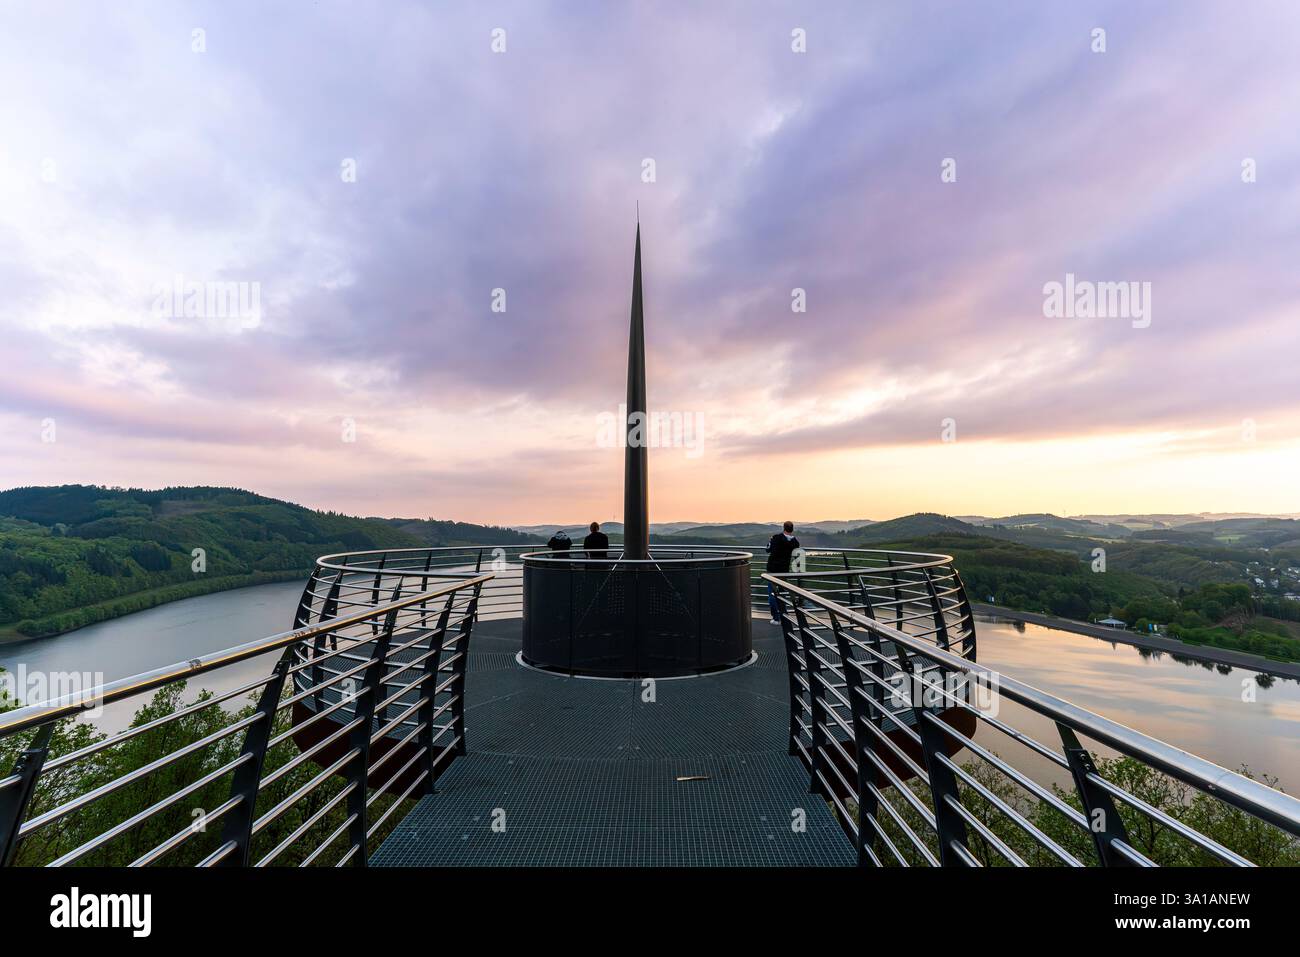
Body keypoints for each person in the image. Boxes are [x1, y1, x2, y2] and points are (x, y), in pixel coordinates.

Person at [764, 521, 800, 625]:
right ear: (792, 529)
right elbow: (797, 557)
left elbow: (768, 549)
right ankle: (783, 616)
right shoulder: (795, 542)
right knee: (782, 594)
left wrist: (770, 540)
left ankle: (776, 618)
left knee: (772, 594)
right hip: (784, 571)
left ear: (783, 528)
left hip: (773, 571)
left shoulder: (776, 538)